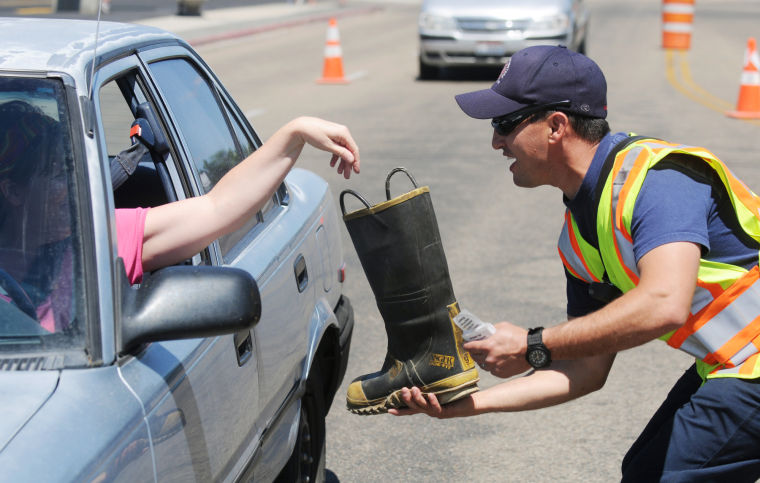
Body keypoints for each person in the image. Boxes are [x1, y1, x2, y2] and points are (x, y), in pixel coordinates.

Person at [389, 44, 760, 481]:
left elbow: (665, 302)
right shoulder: (579, 237)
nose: (496, 142)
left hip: (747, 368)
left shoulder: (657, 181)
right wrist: (466, 405)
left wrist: (531, 344)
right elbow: (586, 369)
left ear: (556, 126)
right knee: (643, 470)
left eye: (504, 124)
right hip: (733, 365)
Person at [0, 100, 360, 328]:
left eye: (71, 167)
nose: (76, 184)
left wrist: (293, 134)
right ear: (13, 191)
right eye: (55, 173)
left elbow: (216, 208)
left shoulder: (96, 240)